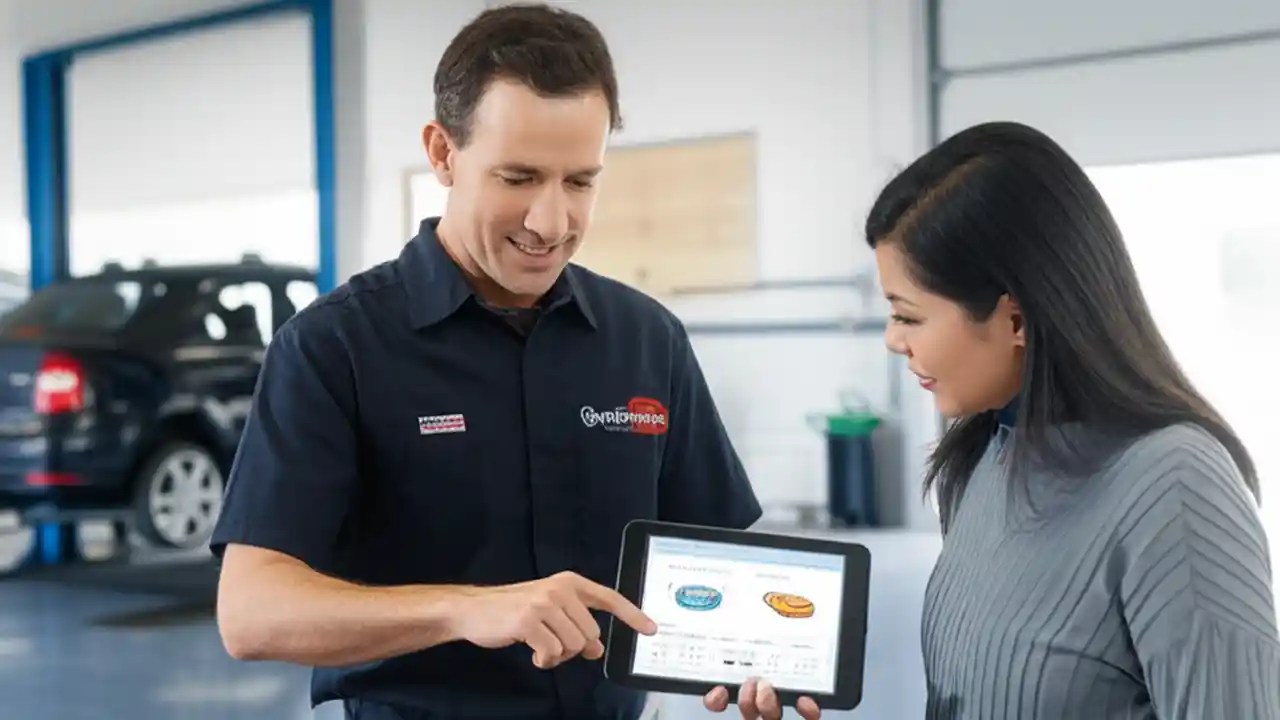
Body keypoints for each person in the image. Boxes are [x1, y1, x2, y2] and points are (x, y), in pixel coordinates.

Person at [210, 5, 762, 719]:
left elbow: (719, 564)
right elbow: (251, 613)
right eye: (519, 177)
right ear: (442, 153)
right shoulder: (334, 347)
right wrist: (463, 610)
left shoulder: (646, 338)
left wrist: (753, 664)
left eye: (580, 182)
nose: (551, 222)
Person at [707, 121, 1280, 719]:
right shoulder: (984, 459)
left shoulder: (1178, 485)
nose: (892, 340)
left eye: (909, 316)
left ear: (1015, 321)